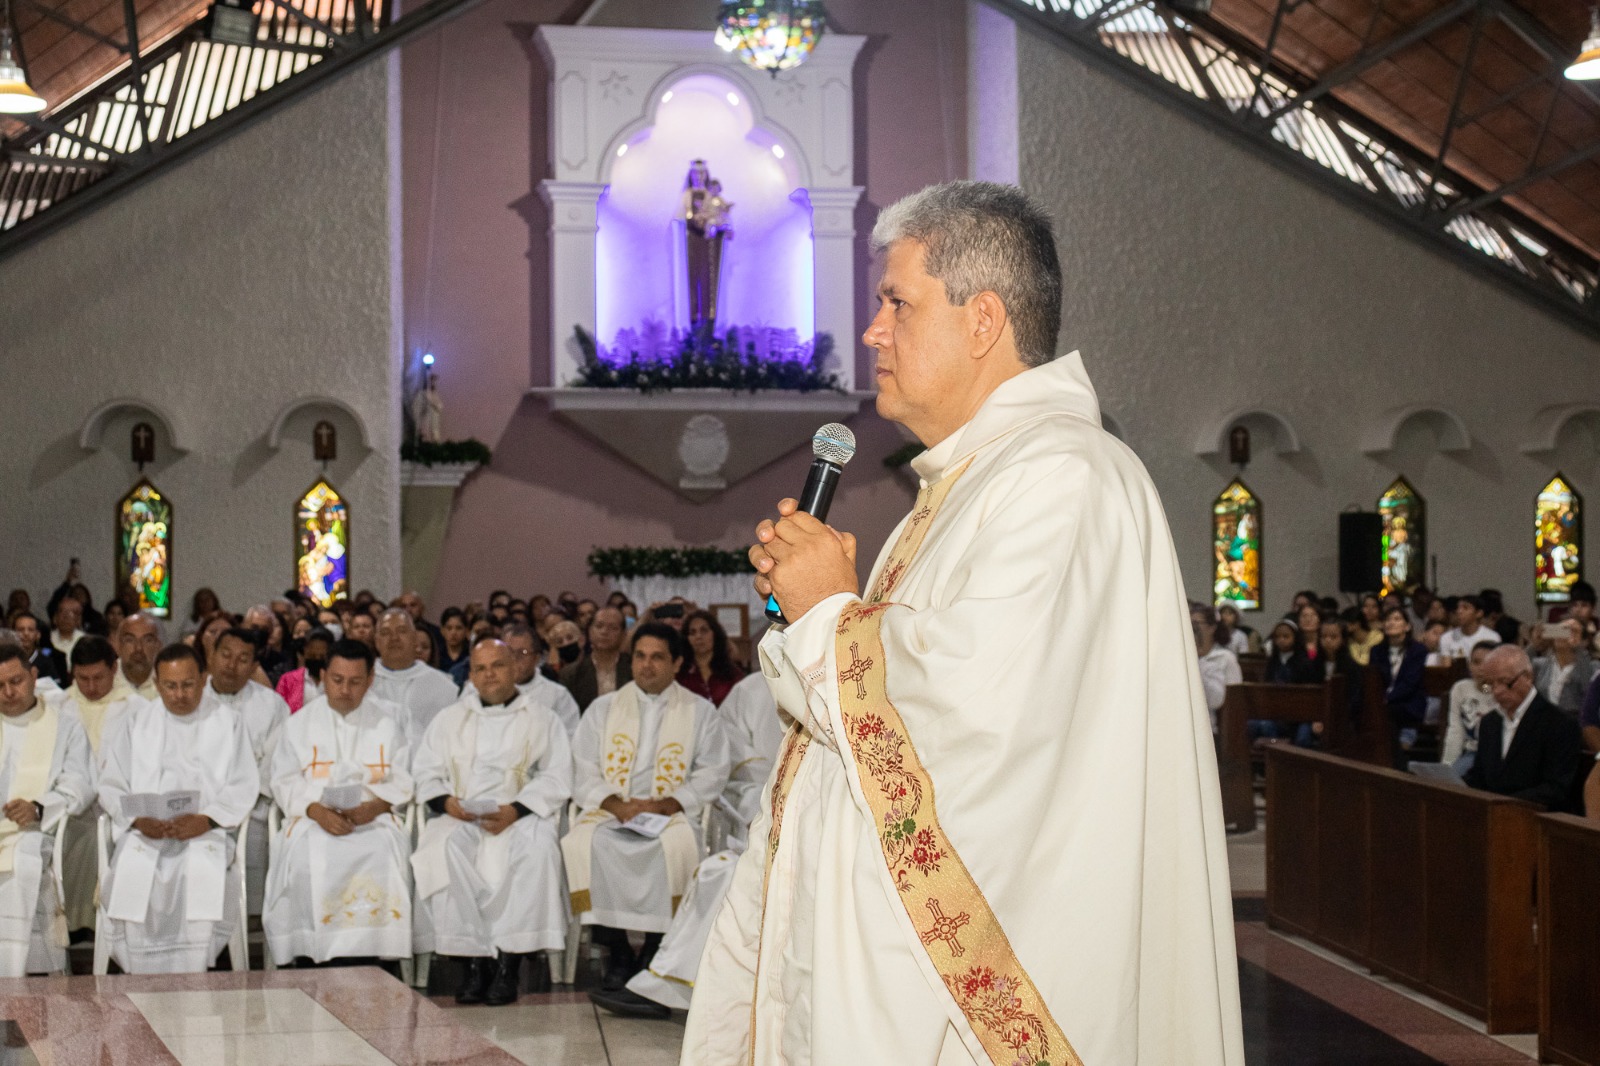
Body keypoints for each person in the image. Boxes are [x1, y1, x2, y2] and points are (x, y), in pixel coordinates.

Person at [688, 182, 1242, 1065]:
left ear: (982, 320)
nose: (872, 331)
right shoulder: (966, 484)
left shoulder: (1065, 478)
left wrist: (831, 608)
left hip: (962, 990)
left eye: (895, 302)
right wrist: (814, 611)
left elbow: (975, 719)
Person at [594, 670, 788, 1020]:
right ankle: (660, 979)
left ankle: (662, 985)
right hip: (767, 817)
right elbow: (734, 776)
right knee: (716, 873)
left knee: (722, 875)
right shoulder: (752, 689)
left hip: (804, 834)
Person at [562, 623, 729, 993]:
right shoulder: (603, 709)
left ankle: (656, 949)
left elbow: (713, 771)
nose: (646, 666)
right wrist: (616, 805)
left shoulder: (699, 712)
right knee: (587, 843)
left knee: (677, 848)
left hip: (670, 814)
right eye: (639, 656)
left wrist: (667, 803)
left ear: (677, 662)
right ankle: (617, 950)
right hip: (612, 810)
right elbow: (582, 766)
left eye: (657, 658)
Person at [412, 639, 572, 1006]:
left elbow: (557, 775)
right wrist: (447, 803)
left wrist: (516, 809)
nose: (490, 675)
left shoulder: (542, 718)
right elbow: (425, 771)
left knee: (536, 850)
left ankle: (508, 965)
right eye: (481, 668)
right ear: (470, 675)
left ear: (515, 667)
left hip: (519, 814)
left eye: (497, 665)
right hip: (462, 815)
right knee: (446, 848)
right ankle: (472, 963)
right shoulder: (450, 718)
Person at [97, 644, 258, 973]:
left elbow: (244, 783)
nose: (179, 695)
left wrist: (206, 820)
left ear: (203, 679)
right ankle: (140, 967)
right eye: (170, 686)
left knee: (194, 868)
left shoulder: (228, 722)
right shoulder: (136, 721)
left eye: (187, 684)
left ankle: (193, 965)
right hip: (146, 831)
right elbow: (111, 784)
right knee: (135, 869)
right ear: (157, 684)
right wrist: (138, 819)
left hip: (204, 832)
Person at [263, 639, 413, 968]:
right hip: (312, 818)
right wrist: (317, 811)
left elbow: (404, 777)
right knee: (305, 854)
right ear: (322, 676)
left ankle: (375, 957)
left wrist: (375, 807)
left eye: (355, 681)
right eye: (337, 680)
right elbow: (283, 779)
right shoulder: (299, 724)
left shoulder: (388, 722)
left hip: (372, 818)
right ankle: (312, 954)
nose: (345, 690)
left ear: (371, 680)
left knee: (383, 850)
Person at [0, 645, 94, 975]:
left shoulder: (63, 724)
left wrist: (39, 808)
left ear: (33, 676)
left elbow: (81, 782)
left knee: (23, 862)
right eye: (0, 686)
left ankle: (13, 976)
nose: (9, 692)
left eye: (16, 681)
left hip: (35, 832)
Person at [204, 628, 291, 917]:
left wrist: (238, 800)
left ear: (254, 666)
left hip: (250, 807)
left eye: (243, 659)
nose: (231, 665)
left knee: (257, 833)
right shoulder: (190, 699)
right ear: (211, 656)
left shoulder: (272, 705)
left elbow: (275, 764)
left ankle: (249, 918)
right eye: (225, 655)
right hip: (200, 804)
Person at [54, 636, 134, 937]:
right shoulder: (57, 705)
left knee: (98, 834)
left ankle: (102, 925)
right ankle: (71, 922)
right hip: (72, 801)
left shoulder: (136, 707)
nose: (90, 687)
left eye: (98, 678)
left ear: (114, 669)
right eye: (82, 678)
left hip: (119, 801)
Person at [1465, 646, 1584, 812]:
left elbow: (1556, 787)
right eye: (1490, 684)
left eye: (1505, 683)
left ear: (1528, 677)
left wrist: (1503, 804)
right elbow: (1479, 775)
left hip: (1536, 818)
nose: (1497, 691)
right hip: (1492, 814)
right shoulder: (1490, 723)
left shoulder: (1559, 723)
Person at [464, 624, 581, 738]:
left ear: (536, 658)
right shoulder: (475, 688)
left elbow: (568, 739)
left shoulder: (557, 695)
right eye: (508, 652)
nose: (513, 658)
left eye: (522, 653)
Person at [369, 609, 460, 753]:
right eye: (386, 633)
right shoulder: (361, 682)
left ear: (414, 638)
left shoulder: (443, 687)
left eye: (401, 631)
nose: (394, 638)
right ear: (376, 641)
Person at [1374, 608, 1429, 764]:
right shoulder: (1377, 651)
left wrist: (1387, 698)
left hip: (1408, 701)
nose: (1391, 623)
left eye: (1397, 619)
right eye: (1388, 619)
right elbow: (1374, 679)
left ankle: (1398, 754)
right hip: (1384, 703)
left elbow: (1411, 682)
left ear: (1407, 626)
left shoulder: (1417, 650)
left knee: (1388, 714)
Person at [559, 607, 631, 713]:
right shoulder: (571, 673)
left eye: (613, 628)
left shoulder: (634, 668)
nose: (604, 632)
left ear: (623, 635)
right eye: (599, 626)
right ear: (590, 631)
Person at [1441, 642, 1498, 774]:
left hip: (1496, 756)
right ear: (1469, 664)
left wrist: (1488, 687)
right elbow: (1455, 731)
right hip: (1472, 752)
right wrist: (1447, 766)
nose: (1481, 668)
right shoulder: (1461, 688)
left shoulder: (1503, 692)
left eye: (1487, 663)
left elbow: (1486, 691)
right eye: (1476, 662)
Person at [1192, 605, 1241, 734]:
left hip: (1216, 726)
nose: (1192, 628)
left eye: (1196, 623)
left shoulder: (1225, 658)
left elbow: (1233, 699)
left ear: (1212, 627)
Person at [1532, 619, 1596, 717]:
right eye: (1560, 630)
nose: (1564, 634)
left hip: (1574, 723)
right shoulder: (1539, 664)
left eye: (1573, 631)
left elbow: (1587, 693)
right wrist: (1536, 641)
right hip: (1544, 720)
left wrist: (1578, 648)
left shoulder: (1591, 667)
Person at [276, 628, 334, 713]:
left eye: (322, 657)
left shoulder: (339, 680)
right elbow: (278, 711)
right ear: (305, 651)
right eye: (312, 656)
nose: (317, 660)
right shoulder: (288, 680)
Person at [7, 612, 64, 687]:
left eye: (30, 630)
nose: (26, 633)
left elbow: (55, 689)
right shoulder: (5, 660)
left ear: (38, 635)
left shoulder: (46, 662)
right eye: (21, 630)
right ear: (12, 633)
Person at [1440, 595, 1500, 661]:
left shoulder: (1492, 637)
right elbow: (1446, 666)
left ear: (1479, 613)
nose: (1459, 611)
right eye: (1458, 608)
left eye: (1465, 608)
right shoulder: (1447, 637)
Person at [47, 596, 85, 670]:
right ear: (54, 618)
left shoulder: (86, 641)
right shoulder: (45, 639)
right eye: (62, 611)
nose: (66, 616)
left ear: (79, 620)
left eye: (72, 612)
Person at [437, 608, 472, 677]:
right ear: (442, 630)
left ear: (466, 631)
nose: (453, 633)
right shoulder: (436, 655)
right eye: (449, 628)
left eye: (458, 628)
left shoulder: (471, 655)